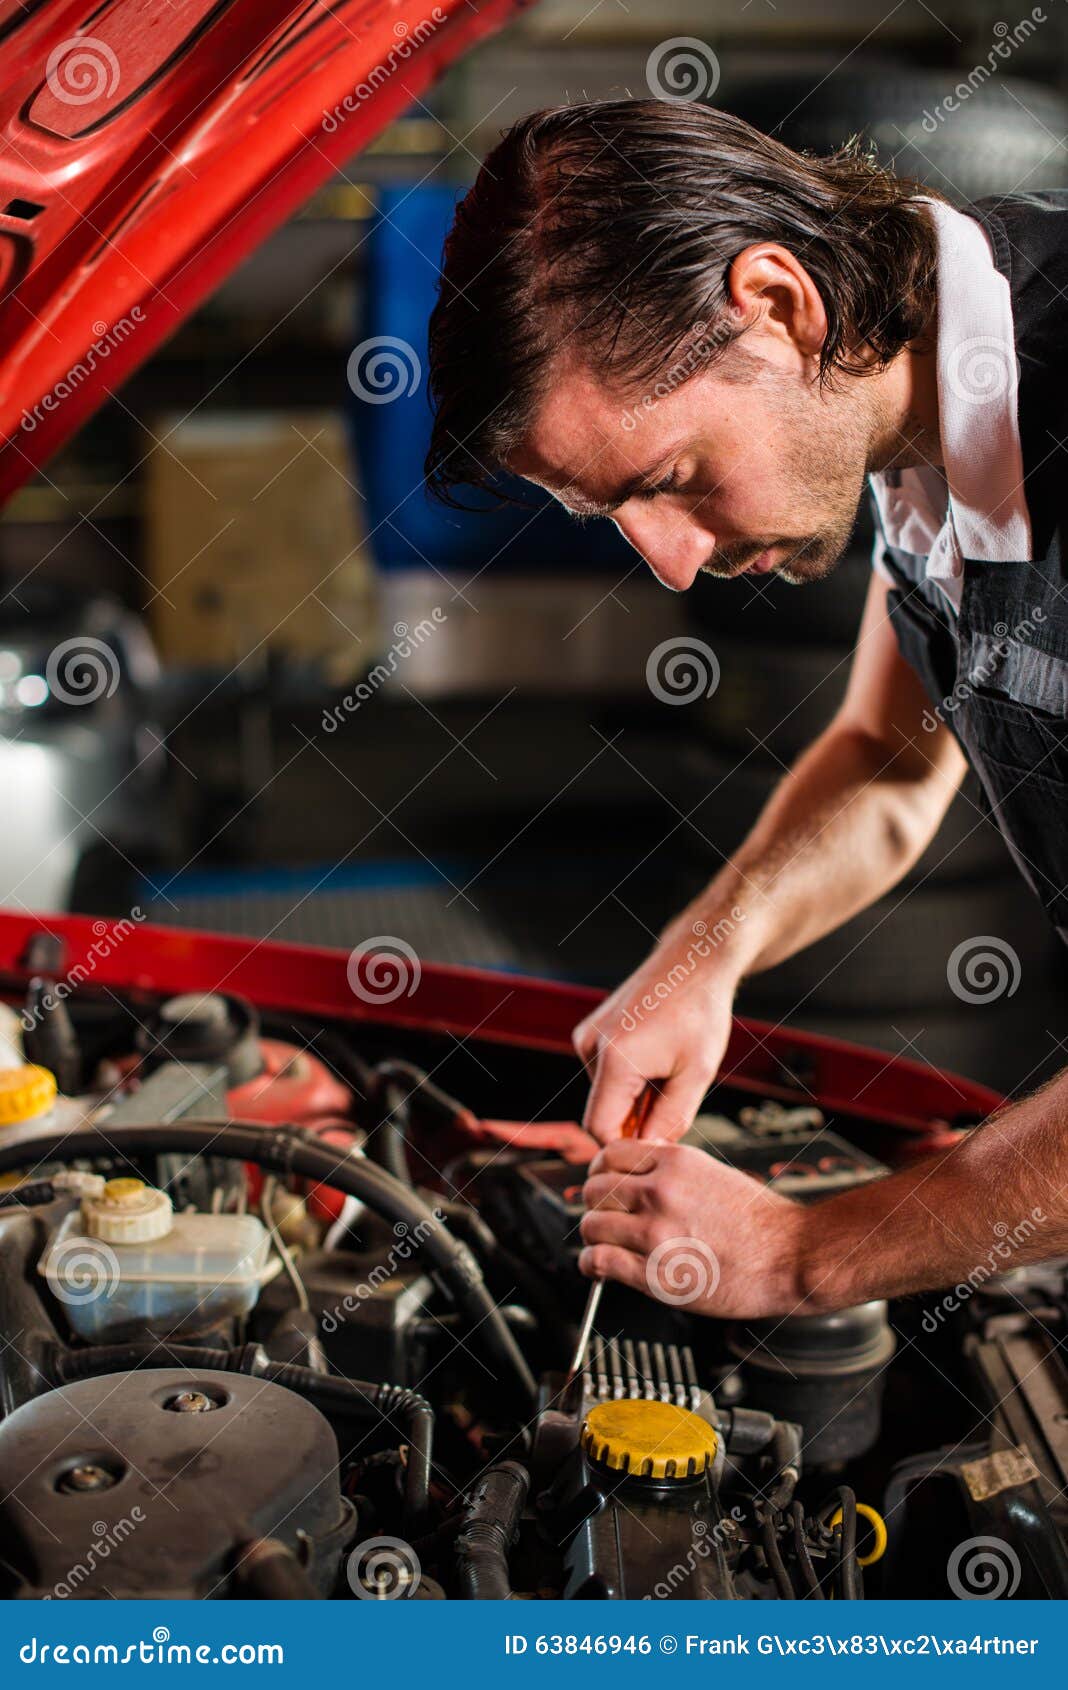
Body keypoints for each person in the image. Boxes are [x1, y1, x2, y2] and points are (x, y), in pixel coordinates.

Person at [424, 99, 1068, 1318]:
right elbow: (889, 760)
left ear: (778, 304)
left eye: (669, 478)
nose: (671, 563)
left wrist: (803, 1253)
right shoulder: (934, 385)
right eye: (617, 513)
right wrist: (702, 957)